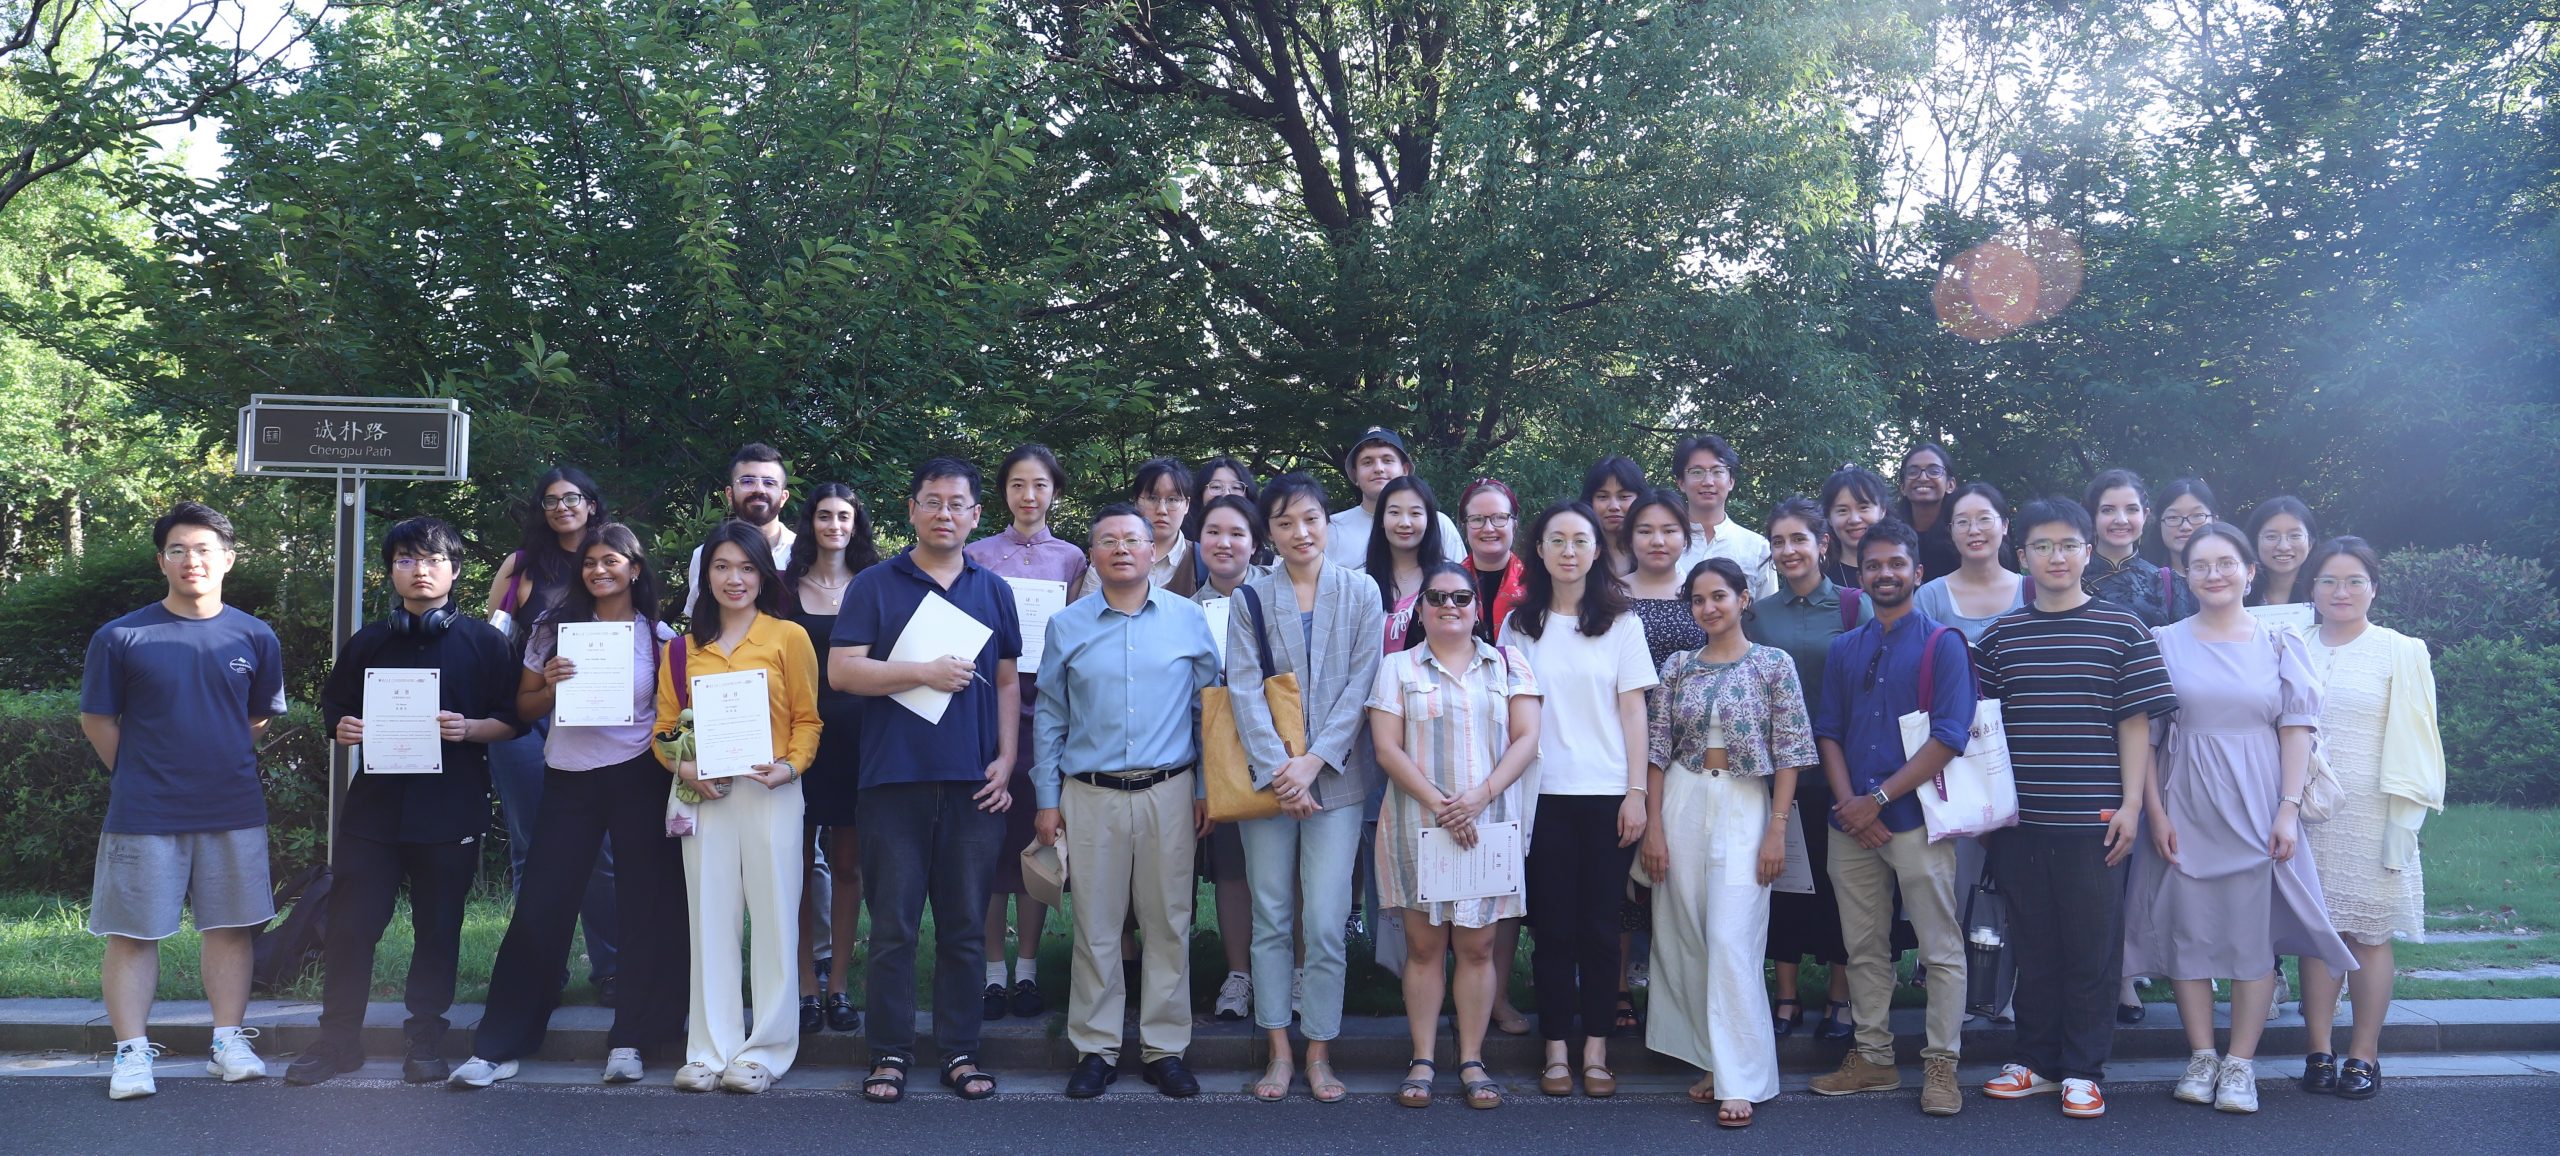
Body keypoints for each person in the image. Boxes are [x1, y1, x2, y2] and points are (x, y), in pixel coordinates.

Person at [2123, 522, 2354, 1114]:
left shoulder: (2278, 643)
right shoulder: (2163, 640)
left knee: (2253, 938)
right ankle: (2202, 1055)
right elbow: (2146, 738)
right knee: (2189, 933)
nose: (2215, 574)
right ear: (2188, 575)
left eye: (2226, 563)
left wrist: (2288, 809)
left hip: (2260, 801)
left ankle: (2241, 1064)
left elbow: (2297, 729)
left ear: (2250, 571)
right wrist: (2155, 812)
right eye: (2201, 565)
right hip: (2184, 799)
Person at [453, 523, 688, 1089]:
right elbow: (524, 705)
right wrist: (554, 683)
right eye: (590, 562)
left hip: (637, 776)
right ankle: (499, 1044)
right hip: (568, 777)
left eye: (612, 561)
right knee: (541, 906)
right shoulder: (554, 630)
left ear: (635, 569)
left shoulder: (658, 636)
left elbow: (675, 713)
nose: (599, 570)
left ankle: (632, 1039)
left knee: (643, 908)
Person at [295, 518, 523, 1087]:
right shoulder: (369, 641)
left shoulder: (485, 643)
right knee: (350, 928)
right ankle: (338, 1041)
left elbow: (514, 721)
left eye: (431, 559)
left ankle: (425, 1037)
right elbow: (335, 709)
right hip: (373, 812)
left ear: (454, 569)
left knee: (438, 929)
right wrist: (344, 728)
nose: (419, 570)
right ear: (390, 570)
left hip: (450, 811)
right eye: (405, 559)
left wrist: (468, 729)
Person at [1973, 498, 2178, 1120]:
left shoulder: (2123, 630)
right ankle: (2034, 1060)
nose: (2055, 557)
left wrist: (2132, 805)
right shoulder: (1999, 637)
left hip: (2096, 821)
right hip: (2021, 821)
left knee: (2093, 947)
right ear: (2023, 555)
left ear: (2088, 552)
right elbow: (1984, 733)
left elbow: (2136, 723)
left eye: (2067, 545)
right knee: (2034, 945)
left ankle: (2084, 1069)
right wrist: (1989, 813)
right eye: (2042, 546)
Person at [80, 501, 287, 1100]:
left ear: (228, 558)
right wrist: (140, 775)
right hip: (144, 812)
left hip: (232, 806)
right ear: (161, 561)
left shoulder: (255, 634)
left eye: (203, 549)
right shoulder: (122, 636)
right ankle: (131, 1052)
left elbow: (256, 718)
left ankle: (227, 1040)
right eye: (177, 549)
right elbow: (97, 720)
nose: (191, 560)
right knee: (134, 933)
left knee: (230, 928)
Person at [831, 458, 1023, 1104]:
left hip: (974, 783)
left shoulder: (993, 589)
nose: (945, 514)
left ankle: (960, 1051)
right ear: (911, 510)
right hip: (893, 782)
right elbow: (843, 673)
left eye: (958, 504)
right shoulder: (876, 585)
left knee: (966, 925)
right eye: (932, 502)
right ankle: (888, 1051)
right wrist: (920, 672)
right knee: (893, 927)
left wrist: (1005, 759)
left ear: (975, 515)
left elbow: (1004, 681)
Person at [1031, 504, 1222, 1100]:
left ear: (1153, 550)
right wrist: (1046, 797)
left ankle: (1166, 1048)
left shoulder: (1189, 621)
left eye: (1133, 540)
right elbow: (1051, 717)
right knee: (1097, 924)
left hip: (1170, 791)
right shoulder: (1068, 626)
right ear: (1092, 555)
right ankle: (1095, 1047)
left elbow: (1205, 712)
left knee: (1168, 923)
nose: (1121, 548)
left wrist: (1204, 788)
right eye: (1108, 540)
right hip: (1090, 796)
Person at [1804, 518, 1973, 1117]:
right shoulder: (1847, 647)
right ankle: (1873, 1059)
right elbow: (1827, 731)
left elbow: (1950, 737)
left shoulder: (1942, 644)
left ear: (1916, 572)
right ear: (1861, 573)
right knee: (1863, 947)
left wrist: (1874, 801)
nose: (1884, 574)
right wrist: (1851, 807)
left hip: (1918, 821)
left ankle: (1941, 1066)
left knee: (1938, 948)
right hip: (1850, 824)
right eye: (1873, 565)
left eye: (1896, 564)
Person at [1227, 473, 1387, 1103]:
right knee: (1271, 918)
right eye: (1286, 522)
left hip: (1337, 782)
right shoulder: (1250, 598)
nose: (1301, 532)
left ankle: (1320, 1049)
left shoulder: (1361, 591)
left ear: (1328, 523)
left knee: (1323, 921)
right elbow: (1242, 689)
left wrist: (1314, 761)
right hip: (1269, 784)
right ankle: (1278, 1051)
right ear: (1270, 531)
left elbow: (1362, 683)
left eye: (1312, 519)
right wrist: (1281, 769)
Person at [1639, 557, 1815, 1128]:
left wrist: (1778, 829)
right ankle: (1714, 1058)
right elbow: (1657, 749)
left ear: (1744, 599)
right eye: (1698, 599)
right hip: (1683, 800)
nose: (1709, 607)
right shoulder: (1677, 667)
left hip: (1746, 803)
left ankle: (1741, 1079)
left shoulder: (1773, 664)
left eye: (1720, 596)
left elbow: (1790, 750)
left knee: (1731, 937)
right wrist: (1656, 827)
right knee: (1686, 934)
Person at [655, 522, 822, 1093]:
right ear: (706, 575)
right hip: (707, 796)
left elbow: (808, 719)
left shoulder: (788, 637)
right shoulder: (681, 650)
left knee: (776, 918)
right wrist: (684, 768)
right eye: (722, 567)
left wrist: (791, 766)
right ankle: (707, 1050)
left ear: (763, 575)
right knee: (709, 919)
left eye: (747, 568)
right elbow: (662, 731)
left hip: (771, 790)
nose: (735, 579)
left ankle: (766, 1052)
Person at [1368, 563, 1541, 1110]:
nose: (1450, 606)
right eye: (1437, 598)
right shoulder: (1396, 668)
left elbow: (1527, 738)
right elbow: (1386, 749)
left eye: (1461, 597)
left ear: (1475, 607)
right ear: (1420, 610)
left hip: (1486, 825)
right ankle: (1422, 1059)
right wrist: (1443, 805)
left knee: (1479, 945)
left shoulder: (1509, 663)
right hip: (1422, 824)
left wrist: (1478, 797)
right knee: (1423, 947)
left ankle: (1471, 1058)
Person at [1506, 501, 1654, 1099]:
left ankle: (1596, 1049)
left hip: (1606, 796)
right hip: (1541, 797)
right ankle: (1555, 1050)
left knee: (1599, 929)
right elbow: (1513, 717)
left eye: (1580, 540)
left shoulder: (1622, 622)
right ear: (1538, 551)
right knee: (1554, 932)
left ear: (1598, 551)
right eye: (1556, 540)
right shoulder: (1520, 625)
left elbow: (1634, 712)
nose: (1569, 551)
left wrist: (1637, 792)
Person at [2296, 536, 2443, 1101]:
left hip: (2373, 809)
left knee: (2368, 933)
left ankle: (2363, 1053)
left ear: (2373, 588)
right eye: (2329, 580)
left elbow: (2419, 736)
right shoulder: (2289, 642)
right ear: (2312, 588)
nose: (2341, 591)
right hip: (2303, 810)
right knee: (2317, 933)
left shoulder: (2400, 650)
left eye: (2354, 580)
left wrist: (2405, 819)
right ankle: (2318, 1050)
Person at [482, 466, 617, 996]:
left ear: (591, 504)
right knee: (530, 847)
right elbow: (493, 640)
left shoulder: (609, 558)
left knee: (601, 849)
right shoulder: (520, 565)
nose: (562, 507)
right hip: (523, 717)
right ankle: (541, 968)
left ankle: (611, 967)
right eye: (551, 500)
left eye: (572, 498)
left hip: (594, 720)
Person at [968, 444, 1090, 1021]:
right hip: (989, 712)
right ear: (1004, 494)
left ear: (1055, 492)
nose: (1028, 496)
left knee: (1036, 844)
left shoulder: (1073, 560)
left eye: (1039, 485)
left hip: (1050, 714)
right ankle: (993, 973)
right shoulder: (977, 554)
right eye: (1017, 485)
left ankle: (1028, 969)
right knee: (992, 847)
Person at [1739, 497, 1865, 1042]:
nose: (1789, 550)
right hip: (1778, 777)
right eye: (1779, 542)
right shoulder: (1759, 616)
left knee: (1844, 889)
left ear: (1823, 544)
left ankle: (1840, 995)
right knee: (1785, 886)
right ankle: (1786, 998)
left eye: (1799, 539)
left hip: (1843, 776)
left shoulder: (1853, 608)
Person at [785, 485, 880, 1034]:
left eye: (845, 516)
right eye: (825, 515)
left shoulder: (874, 587)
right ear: (810, 522)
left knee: (848, 867)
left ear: (857, 523)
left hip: (858, 743)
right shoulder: (783, 590)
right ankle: (804, 987)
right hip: (796, 743)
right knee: (794, 870)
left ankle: (839, 986)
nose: (835, 525)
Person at [1191, 494, 1270, 1021]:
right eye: (1214, 532)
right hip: (1218, 754)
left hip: (1283, 752)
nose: (1224, 543)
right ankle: (1239, 974)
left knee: (1293, 872)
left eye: (1236, 533)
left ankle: (1296, 972)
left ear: (1256, 542)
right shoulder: (1185, 611)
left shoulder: (1280, 596)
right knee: (1234, 870)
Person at [1325, 427, 1463, 570]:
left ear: (1405, 470)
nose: (1378, 468)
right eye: (1367, 462)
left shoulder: (1438, 524)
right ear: (1355, 475)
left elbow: (1463, 585)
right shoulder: (1332, 529)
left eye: (1387, 460)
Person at [1913, 482, 2024, 642]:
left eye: (1984, 519)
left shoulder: (2033, 592)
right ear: (1951, 531)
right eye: (1962, 522)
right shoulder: (1930, 597)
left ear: (2004, 526)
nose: (1974, 530)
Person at [1669, 434, 1775, 598]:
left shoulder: (1757, 547)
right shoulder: (1663, 544)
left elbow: (1768, 613)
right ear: (1681, 482)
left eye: (1718, 471)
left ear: (1731, 481)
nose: (1708, 481)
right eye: (1697, 472)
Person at [1076, 457, 1199, 597]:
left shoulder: (1203, 560)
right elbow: (1086, 614)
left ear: (1187, 505)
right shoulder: (1109, 554)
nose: (1162, 510)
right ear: (1135, 501)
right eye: (1152, 498)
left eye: (1173, 500)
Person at [685, 443, 798, 590]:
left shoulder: (804, 553)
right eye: (747, 481)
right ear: (730, 495)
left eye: (769, 483)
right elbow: (701, 611)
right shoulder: (704, 555)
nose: (759, 489)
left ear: (784, 497)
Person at [1365, 475, 1450, 651]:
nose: (1404, 523)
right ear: (1381, 519)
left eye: (1415, 513)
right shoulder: (1360, 581)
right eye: (1394, 513)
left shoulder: (1448, 581)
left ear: (1429, 520)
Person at [1626, 489, 1708, 666]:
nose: (1657, 541)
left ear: (1685, 538)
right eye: (1645, 532)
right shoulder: (1609, 594)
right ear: (1630, 538)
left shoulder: (1700, 595)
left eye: (1669, 531)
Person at [2082, 469, 2174, 625]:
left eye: (2132, 509)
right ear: (2093, 516)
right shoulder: (2069, 577)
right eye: (2108, 510)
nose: (2121, 520)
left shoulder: (2165, 582)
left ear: (2145, 516)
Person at [1458, 478, 1529, 647]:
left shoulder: (1537, 585)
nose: (1488, 528)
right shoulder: (1446, 586)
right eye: (1477, 519)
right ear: (1464, 526)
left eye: (1499, 517)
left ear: (1514, 525)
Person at [2144, 477, 2217, 621]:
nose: (2185, 527)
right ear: (2159, 524)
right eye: (2173, 517)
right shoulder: (2144, 582)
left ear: (2215, 520)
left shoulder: (2234, 578)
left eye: (2197, 516)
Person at [1897, 443, 1962, 582]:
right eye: (1913, 472)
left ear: (1950, 485)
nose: (1923, 478)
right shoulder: (1892, 536)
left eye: (1934, 471)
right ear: (1903, 487)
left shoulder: (1963, 534)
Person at [1818, 465, 1889, 590]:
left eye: (1863, 508)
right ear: (1828, 517)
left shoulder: (1902, 570)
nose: (1855, 520)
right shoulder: (1819, 578)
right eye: (1843, 510)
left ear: (1882, 510)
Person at [1580, 455, 1650, 576]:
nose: (1614, 506)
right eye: (1603, 497)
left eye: (1623, 497)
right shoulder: (1576, 554)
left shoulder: (1656, 551)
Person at [2245, 496, 2319, 606]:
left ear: (2310, 543)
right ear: (2255, 543)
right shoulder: (2239, 595)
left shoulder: (2324, 594)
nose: (2283, 547)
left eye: (2294, 536)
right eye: (2271, 537)